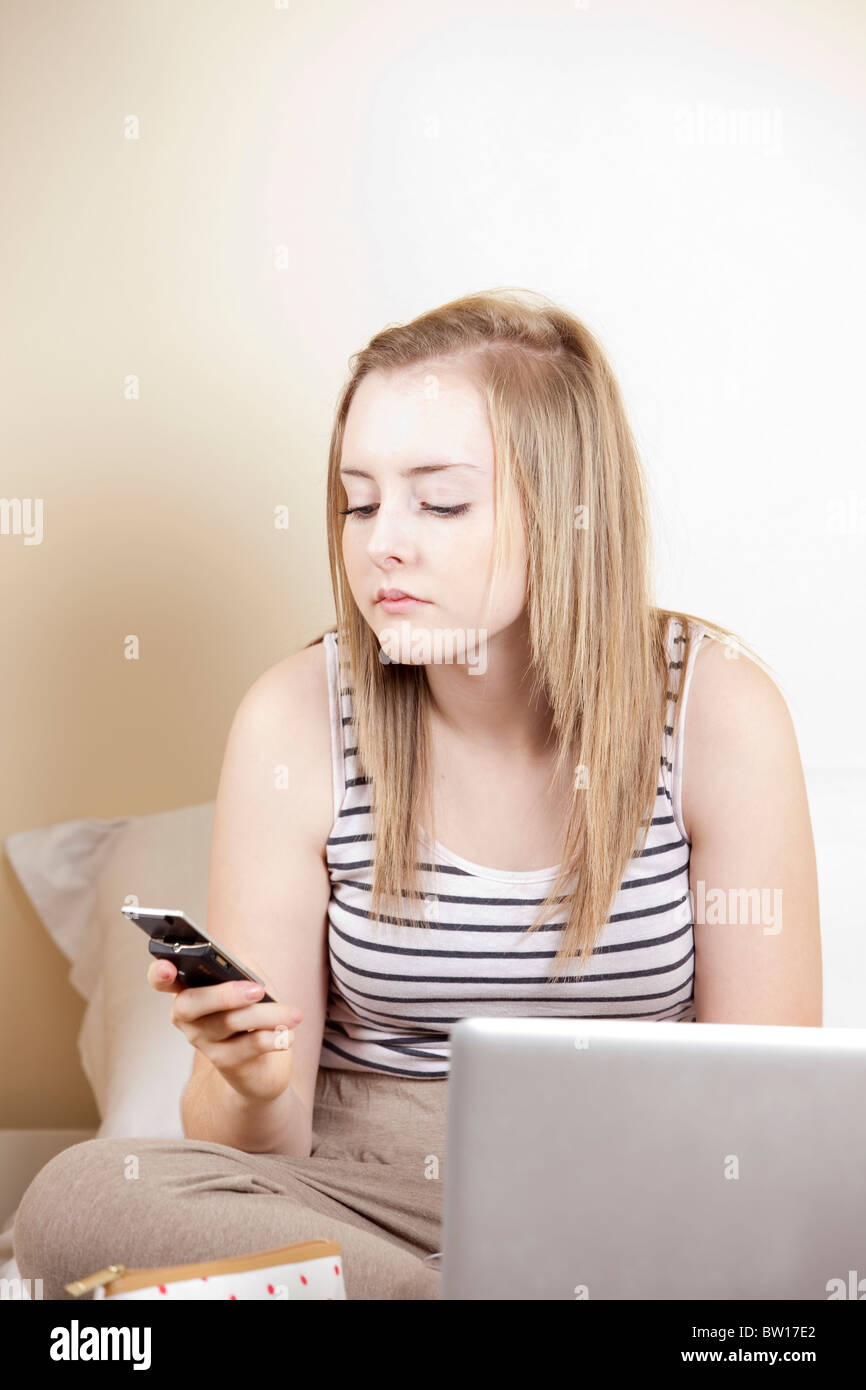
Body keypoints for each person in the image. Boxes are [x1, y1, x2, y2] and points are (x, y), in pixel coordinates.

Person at [13, 287, 822, 1301]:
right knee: (76, 1202)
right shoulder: (294, 717)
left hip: (628, 1186)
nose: (379, 541)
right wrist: (252, 1081)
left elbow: (771, 1114)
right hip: (356, 1193)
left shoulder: (715, 707)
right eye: (358, 500)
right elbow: (260, 1142)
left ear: (566, 511)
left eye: (437, 501)